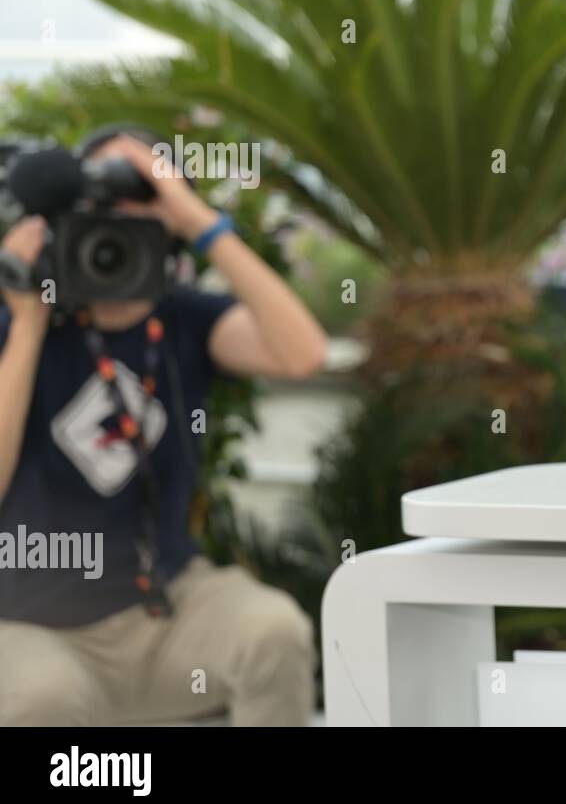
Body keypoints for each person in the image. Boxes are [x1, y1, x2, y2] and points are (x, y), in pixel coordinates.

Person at [0, 129, 330, 725]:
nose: (114, 227)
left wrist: (196, 218)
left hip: (167, 612)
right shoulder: (23, 322)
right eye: (96, 204)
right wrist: (24, 324)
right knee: (38, 702)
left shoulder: (187, 319)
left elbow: (303, 354)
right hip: (33, 628)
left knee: (274, 632)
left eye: (140, 202)